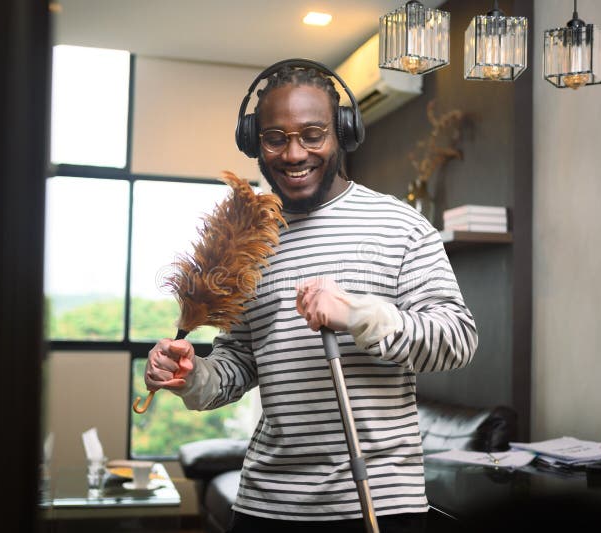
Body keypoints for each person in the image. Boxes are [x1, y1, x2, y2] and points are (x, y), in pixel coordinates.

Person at [144, 60, 478, 533]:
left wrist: (359, 315)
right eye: (275, 138)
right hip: (267, 507)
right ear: (254, 141)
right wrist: (193, 375)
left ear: (341, 134)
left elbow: (457, 342)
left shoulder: (400, 226)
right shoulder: (250, 240)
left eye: (313, 135)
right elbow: (238, 363)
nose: (294, 153)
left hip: (380, 505)